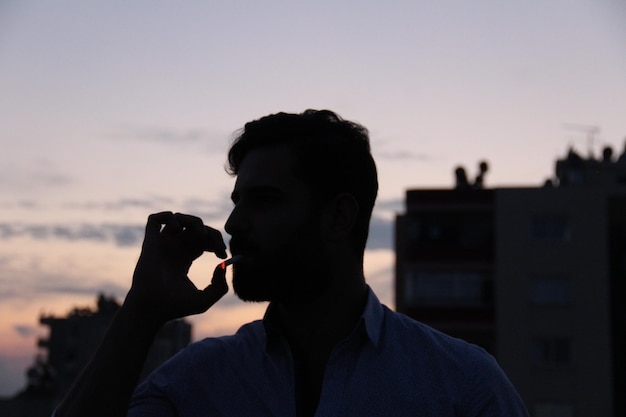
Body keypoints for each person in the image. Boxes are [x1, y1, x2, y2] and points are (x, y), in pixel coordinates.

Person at [55, 110, 528, 417]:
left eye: (263, 201)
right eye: (237, 201)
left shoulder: (461, 387)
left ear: (339, 216)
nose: (234, 223)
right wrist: (140, 312)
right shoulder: (198, 381)